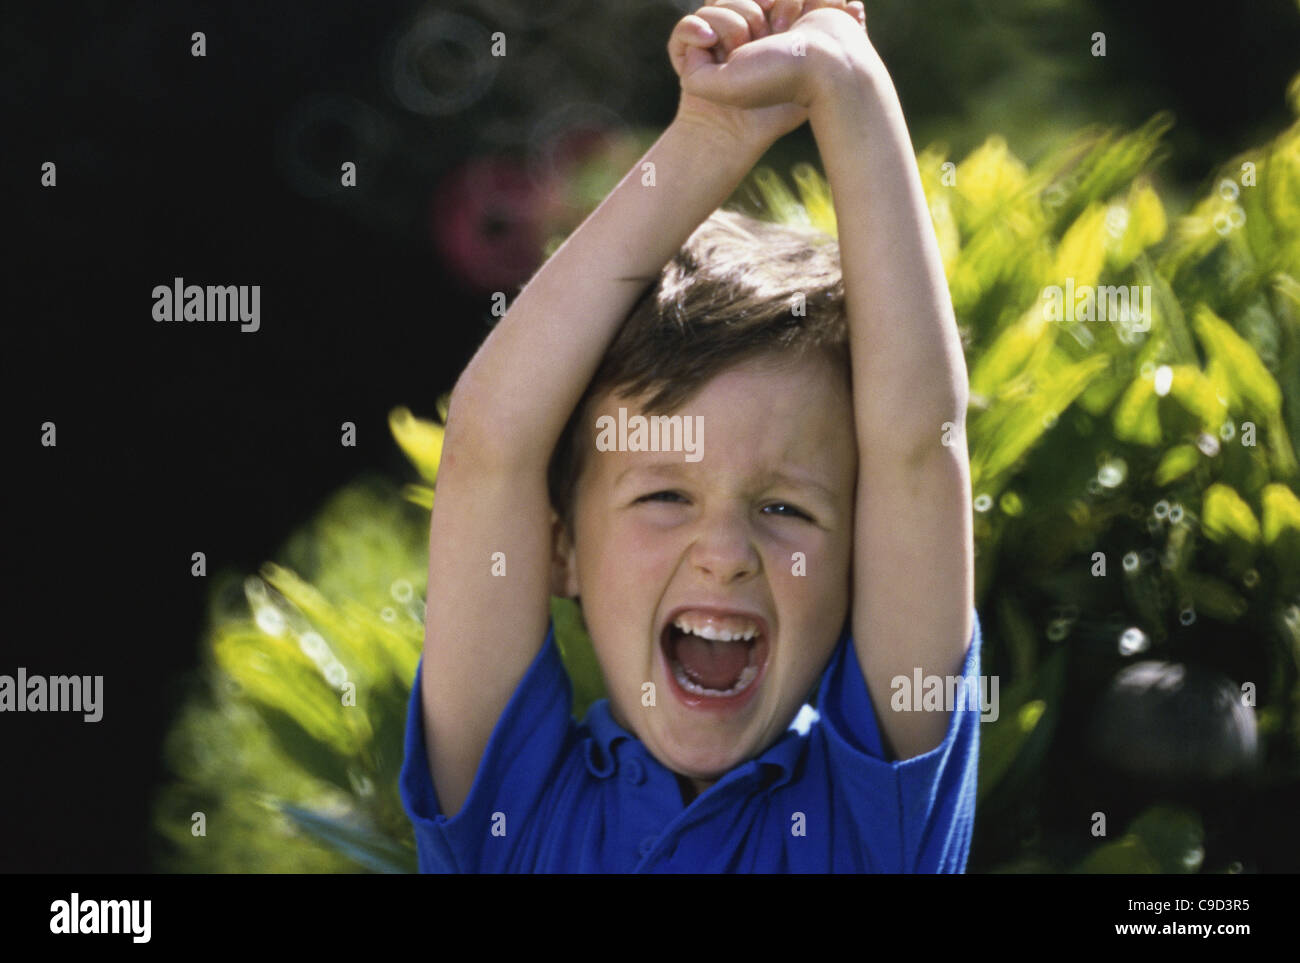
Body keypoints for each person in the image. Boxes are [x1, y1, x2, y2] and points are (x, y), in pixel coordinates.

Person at [400, 0, 982, 872]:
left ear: (862, 560)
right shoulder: (510, 813)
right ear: (557, 547)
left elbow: (917, 448)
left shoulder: (878, 824)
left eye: (786, 506)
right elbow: (489, 444)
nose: (725, 553)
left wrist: (851, 83)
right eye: (665, 494)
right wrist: (711, 136)